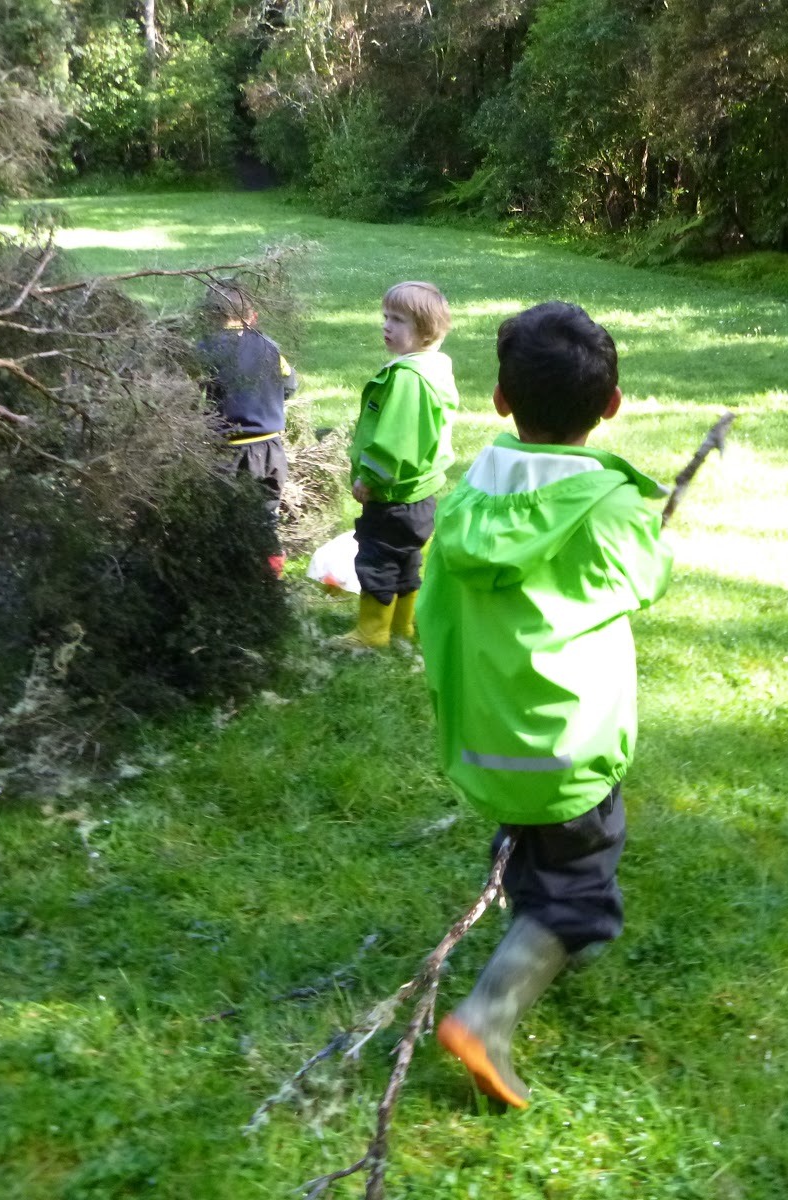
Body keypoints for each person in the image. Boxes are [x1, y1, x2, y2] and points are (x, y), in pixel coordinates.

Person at [418, 302, 674, 1108]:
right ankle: (488, 1015)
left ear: (501, 400)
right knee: (582, 887)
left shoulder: (469, 497)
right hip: (568, 744)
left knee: (538, 839)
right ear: (612, 404)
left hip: (486, 733)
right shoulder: (606, 505)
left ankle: (540, 934)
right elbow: (647, 577)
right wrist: (649, 527)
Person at [340, 281, 459, 651]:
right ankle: (402, 627)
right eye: (386, 317)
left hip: (391, 494)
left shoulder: (408, 378)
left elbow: (396, 441)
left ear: (426, 332)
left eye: (398, 320)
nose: (386, 326)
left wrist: (370, 479)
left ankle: (372, 633)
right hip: (420, 494)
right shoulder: (433, 368)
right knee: (407, 559)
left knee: (377, 559)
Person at [197, 282, 298, 577]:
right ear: (252, 317)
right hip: (271, 450)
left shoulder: (206, 349)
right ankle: (271, 577)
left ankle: (228, 577)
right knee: (266, 516)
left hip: (228, 451)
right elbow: (289, 384)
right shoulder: (270, 347)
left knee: (224, 516)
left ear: (209, 316)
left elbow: (187, 390)